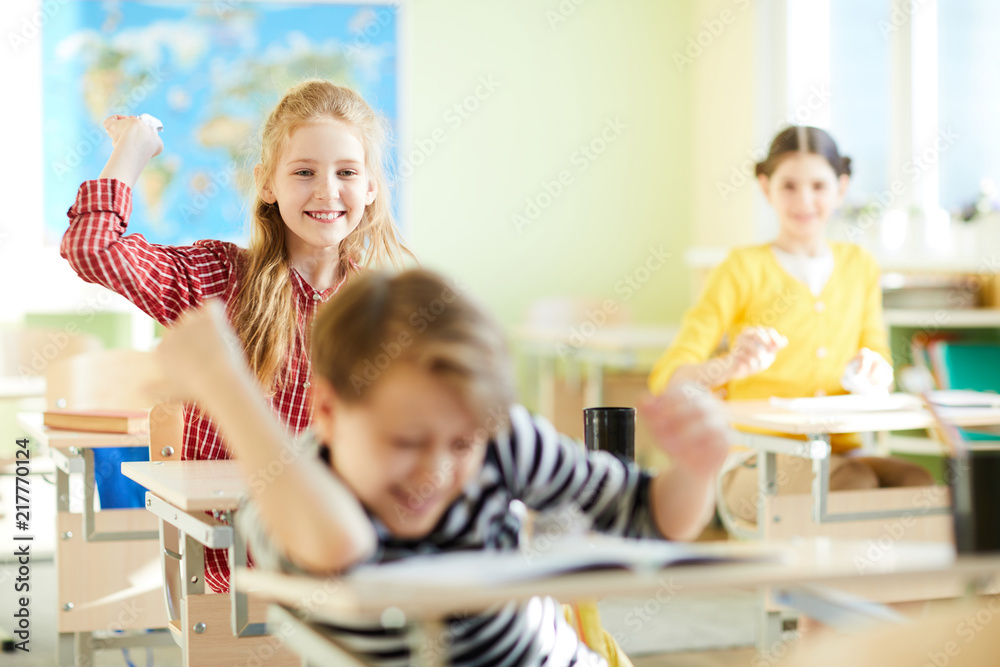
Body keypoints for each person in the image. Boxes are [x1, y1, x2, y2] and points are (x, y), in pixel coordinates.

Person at [154, 269, 733, 666]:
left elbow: (650, 514)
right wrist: (224, 387)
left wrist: (697, 469)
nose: (434, 468)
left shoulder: (499, 438)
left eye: (461, 444)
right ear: (327, 411)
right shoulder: (292, 497)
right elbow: (341, 545)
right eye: (406, 441)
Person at [61, 79, 412, 592]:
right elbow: (92, 249)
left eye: (347, 173)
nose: (327, 191)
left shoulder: (382, 308)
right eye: (304, 172)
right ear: (267, 184)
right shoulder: (217, 281)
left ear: (371, 187)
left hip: (348, 561)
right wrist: (131, 152)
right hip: (238, 569)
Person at [648, 126, 933, 524]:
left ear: (841, 187)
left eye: (819, 185)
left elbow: (880, 360)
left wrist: (873, 371)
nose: (805, 200)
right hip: (754, 462)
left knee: (918, 483)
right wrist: (730, 366)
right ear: (766, 188)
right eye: (789, 186)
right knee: (853, 485)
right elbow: (667, 382)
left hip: (842, 453)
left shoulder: (859, 266)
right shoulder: (740, 269)